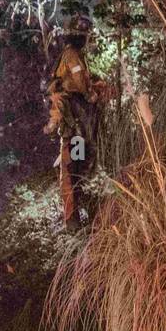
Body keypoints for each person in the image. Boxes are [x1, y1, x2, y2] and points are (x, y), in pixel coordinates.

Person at [45, 14, 102, 229]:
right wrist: (90, 94)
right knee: (71, 168)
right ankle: (72, 219)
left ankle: (77, 212)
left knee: (77, 164)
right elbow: (79, 82)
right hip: (73, 121)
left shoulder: (72, 54)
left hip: (76, 121)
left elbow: (82, 78)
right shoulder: (71, 55)